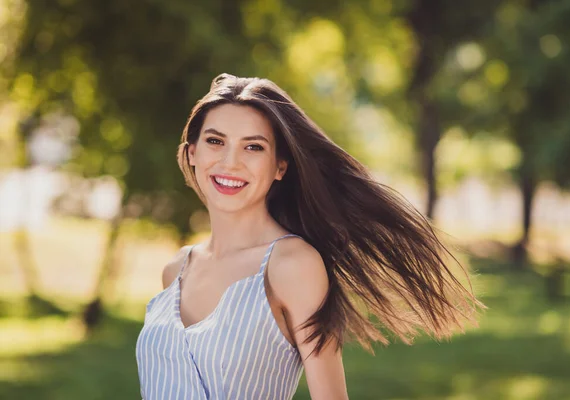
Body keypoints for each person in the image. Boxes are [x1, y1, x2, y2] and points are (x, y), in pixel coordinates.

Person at [135, 73, 485, 400]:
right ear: (192, 152)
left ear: (280, 167)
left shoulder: (292, 265)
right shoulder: (177, 269)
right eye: (215, 141)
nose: (230, 162)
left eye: (253, 147)